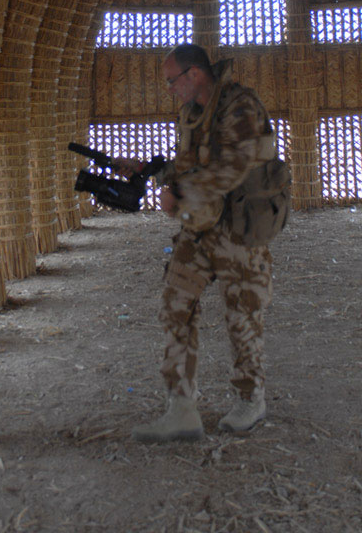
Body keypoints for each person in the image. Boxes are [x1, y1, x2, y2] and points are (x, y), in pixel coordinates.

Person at [126, 43, 289, 443]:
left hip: (239, 229)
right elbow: (190, 165)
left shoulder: (240, 106)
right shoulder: (192, 114)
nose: (169, 89)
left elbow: (234, 166)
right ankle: (181, 408)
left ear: (195, 74)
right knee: (175, 305)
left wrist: (182, 188)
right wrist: (155, 172)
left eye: (172, 80)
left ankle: (251, 398)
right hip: (200, 228)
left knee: (242, 315)